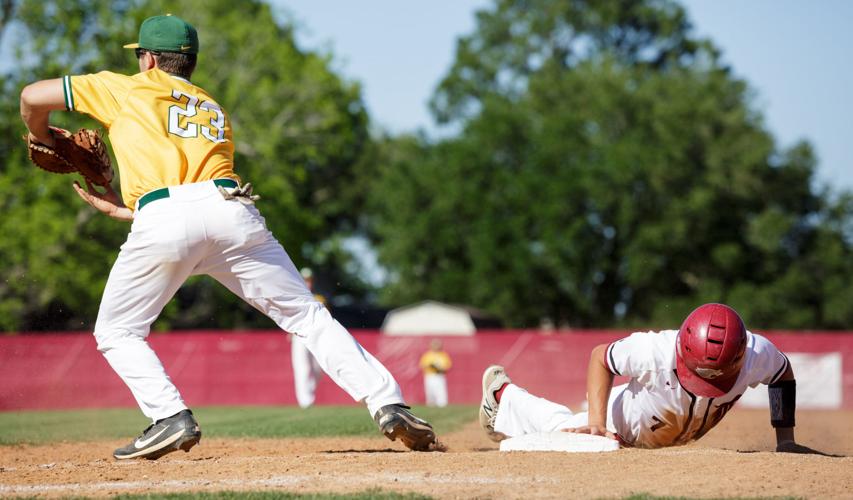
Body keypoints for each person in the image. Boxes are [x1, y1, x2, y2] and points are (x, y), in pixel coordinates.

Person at [19, 14, 436, 459]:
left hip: (166, 216)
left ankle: (169, 416)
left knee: (117, 330)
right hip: (231, 209)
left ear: (151, 60)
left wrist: (43, 135)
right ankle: (388, 402)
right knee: (308, 318)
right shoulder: (212, 107)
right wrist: (133, 209)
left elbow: (31, 97)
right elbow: (192, 186)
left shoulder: (125, 87)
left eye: (140, 54)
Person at [479, 303, 811, 452]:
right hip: (621, 422)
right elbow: (600, 356)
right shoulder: (654, 349)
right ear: (681, 350)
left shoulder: (756, 354)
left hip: (662, 432)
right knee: (564, 432)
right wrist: (597, 424)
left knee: (564, 424)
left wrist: (786, 440)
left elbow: (783, 374)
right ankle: (502, 395)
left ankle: (506, 399)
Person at [290, 267, 324, 408]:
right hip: (299, 336)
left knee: (318, 368)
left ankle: (308, 393)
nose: (307, 283)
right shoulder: (293, 296)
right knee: (302, 368)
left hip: (317, 335)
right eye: (304, 280)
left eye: (309, 280)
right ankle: (305, 401)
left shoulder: (319, 299)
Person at [419, 339, 452, 407]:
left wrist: (439, 368)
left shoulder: (443, 355)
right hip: (430, 375)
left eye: (437, 345)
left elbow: (448, 366)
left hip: (439, 375)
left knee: (441, 392)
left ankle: (442, 405)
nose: (436, 346)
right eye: (434, 345)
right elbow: (422, 365)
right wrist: (430, 365)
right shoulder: (427, 355)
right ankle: (431, 405)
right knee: (430, 393)